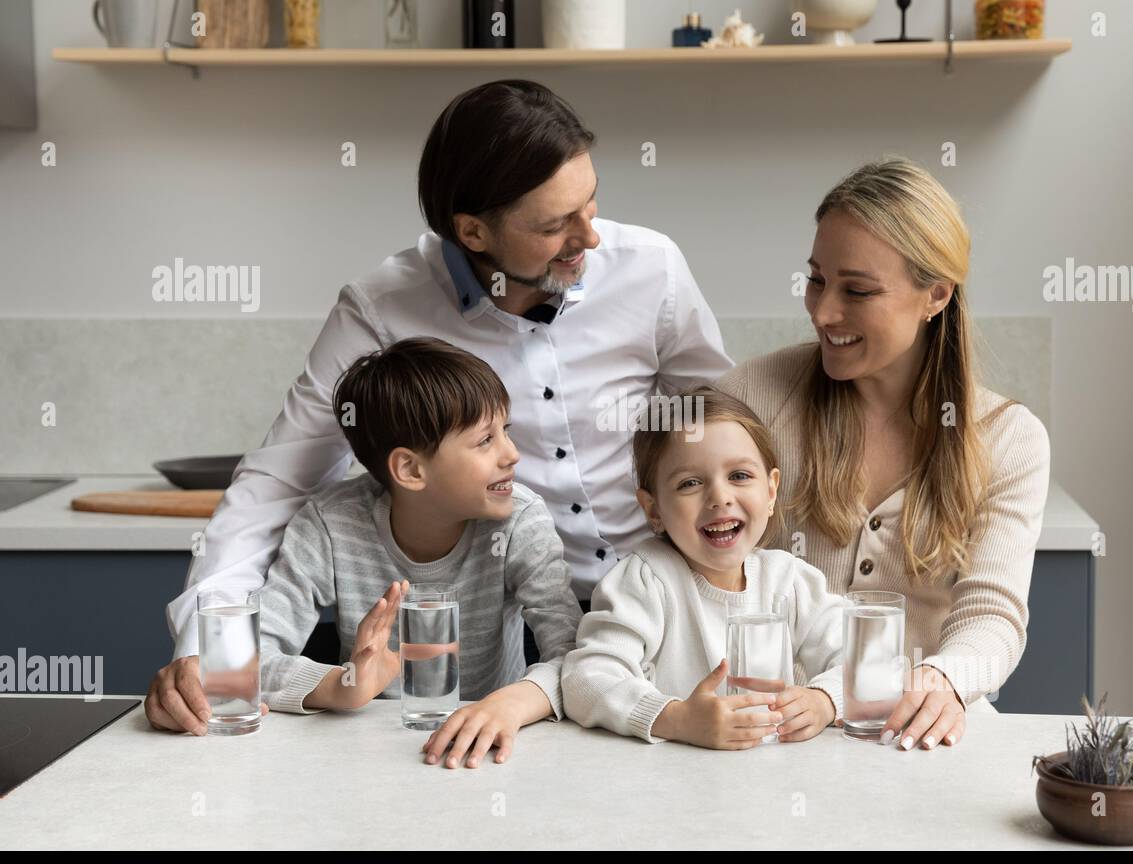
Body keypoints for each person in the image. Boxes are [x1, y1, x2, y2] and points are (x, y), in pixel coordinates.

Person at [148, 78, 731, 734]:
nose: (589, 238)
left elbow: (724, 427)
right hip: (503, 641)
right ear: (473, 231)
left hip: (654, 615)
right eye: (553, 225)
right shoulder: (381, 307)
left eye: (591, 203)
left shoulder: (652, 268)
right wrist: (207, 653)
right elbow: (278, 483)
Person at [716, 157, 1051, 753]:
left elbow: (992, 615)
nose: (823, 312)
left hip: (914, 736)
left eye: (858, 290)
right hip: (772, 737)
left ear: (936, 295)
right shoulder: (752, 400)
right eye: (816, 279)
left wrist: (944, 678)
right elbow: (694, 571)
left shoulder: (1008, 439)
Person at [254, 337, 579, 769]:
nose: (512, 455)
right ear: (410, 469)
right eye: (485, 440)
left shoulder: (520, 521)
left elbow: (578, 655)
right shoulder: (331, 524)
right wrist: (343, 685)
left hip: (483, 753)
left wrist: (513, 704)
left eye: (506, 431)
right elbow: (247, 658)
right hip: (361, 755)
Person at [561, 388, 845, 749]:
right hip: (670, 785)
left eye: (740, 475)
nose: (719, 497)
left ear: (771, 491)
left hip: (771, 781)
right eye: (690, 483)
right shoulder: (646, 580)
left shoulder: (788, 580)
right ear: (654, 510)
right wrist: (676, 719)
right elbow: (586, 679)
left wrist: (823, 700)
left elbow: (870, 663)